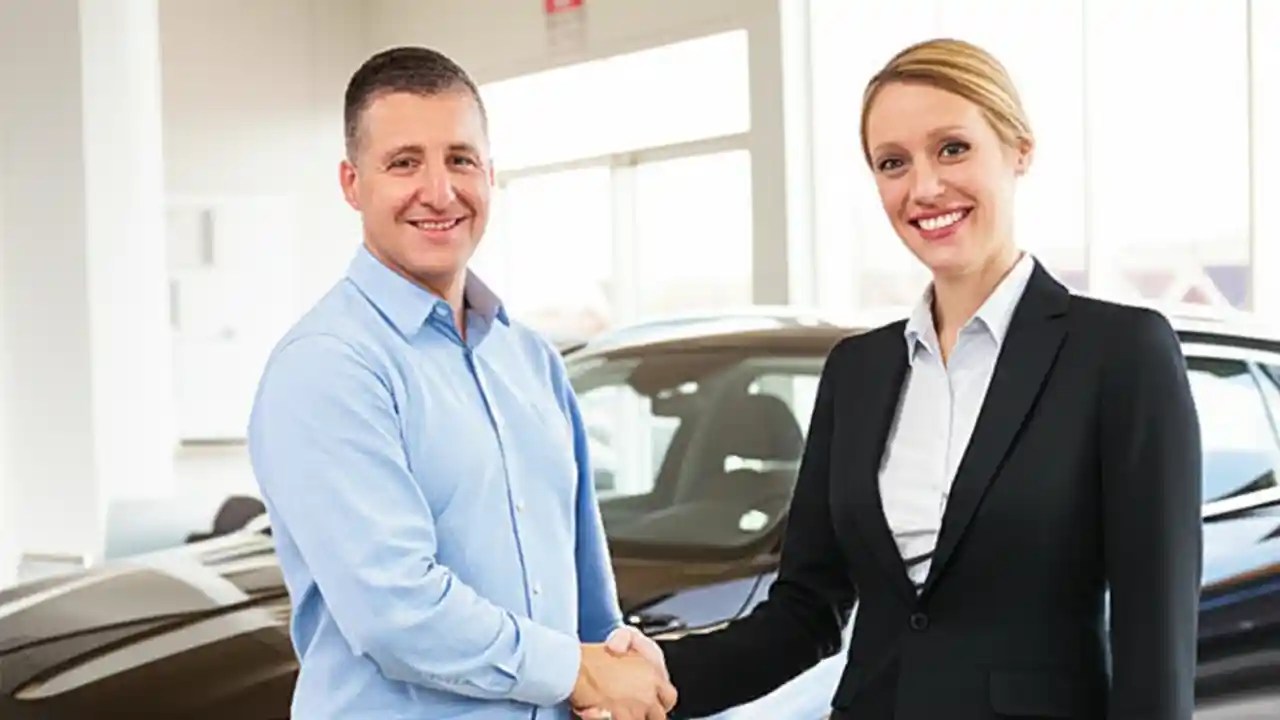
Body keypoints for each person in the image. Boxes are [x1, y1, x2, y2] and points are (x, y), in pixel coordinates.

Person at [609, 37, 1203, 719]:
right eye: (893, 163)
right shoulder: (859, 371)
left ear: (1019, 150)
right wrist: (657, 677)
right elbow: (805, 612)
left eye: (952, 148)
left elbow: (1153, 638)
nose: (924, 187)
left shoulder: (1120, 354)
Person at [248, 46, 675, 720]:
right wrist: (578, 671)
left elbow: (585, 592)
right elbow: (396, 610)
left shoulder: (530, 357)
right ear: (352, 182)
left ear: (490, 173)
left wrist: (618, 657)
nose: (440, 192)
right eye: (404, 162)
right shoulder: (328, 366)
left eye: (460, 159)